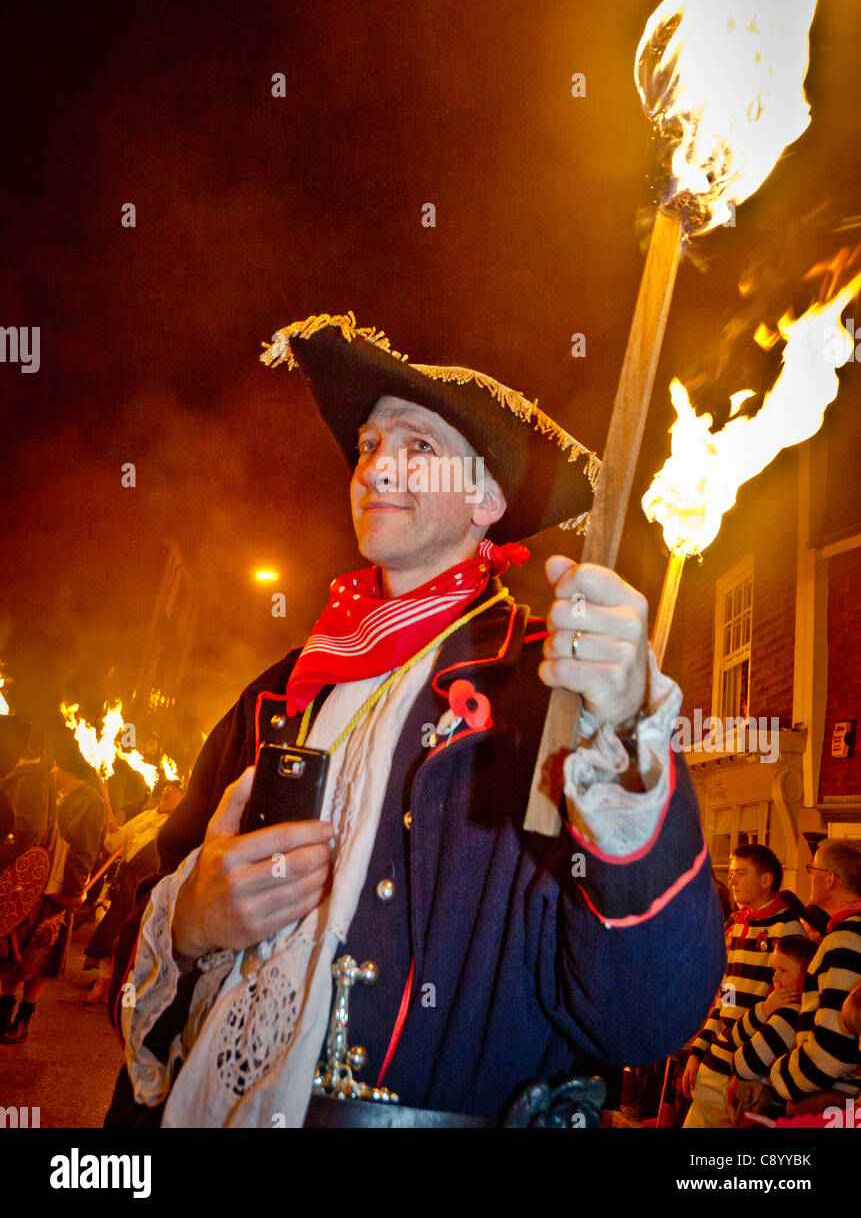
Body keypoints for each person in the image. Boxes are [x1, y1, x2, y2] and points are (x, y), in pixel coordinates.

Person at [105, 311, 725, 1128]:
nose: (374, 469)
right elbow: (139, 930)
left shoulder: (551, 691)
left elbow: (642, 1018)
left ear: (487, 499)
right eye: (367, 446)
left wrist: (623, 745)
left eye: (418, 448)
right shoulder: (279, 694)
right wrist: (188, 923)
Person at [682, 843, 804, 1128]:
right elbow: (727, 996)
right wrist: (699, 1051)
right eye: (732, 873)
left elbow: (785, 1011)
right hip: (715, 1064)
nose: (732, 880)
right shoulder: (739, 926)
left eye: (740, 873)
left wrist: (751, 1068)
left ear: (766, 879)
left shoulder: (787, 930)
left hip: (746, 1073)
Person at [0, 738, 106, 1043]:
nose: (54, 771)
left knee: (41, 957)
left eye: (58, 768)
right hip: (34, 883)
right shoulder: (52, 792)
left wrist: (72, 892)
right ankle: (4, 1010)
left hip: (60, 887)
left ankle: (24, 1017)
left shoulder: (91, 802)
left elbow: (85, 850)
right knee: (15, 955)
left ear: (71, 771)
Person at [768, 838, 861, 1111]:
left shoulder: (845, 938)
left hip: (829, 1099)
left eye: (813, 870)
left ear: (830, 878)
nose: (810, 877)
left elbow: (836, 1045)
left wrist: (781, 1078)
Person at [83, 781, 184, 1005]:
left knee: (138, 943)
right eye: (165, 789)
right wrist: (113, 831)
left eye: (173, 791)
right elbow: (118, 844)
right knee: (109, 937)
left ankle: (130, 993)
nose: (167, 793)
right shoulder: (145, 816)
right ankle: (102, 983)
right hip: (127, 884)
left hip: (152, 888)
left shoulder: (180, 824)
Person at [727, 936, 818, 1121]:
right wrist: (764, 1009)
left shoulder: (790, 1016)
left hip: (769, 1112)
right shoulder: (777, 1006)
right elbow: (734, 1036)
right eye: (774, 969)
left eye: (783, 970)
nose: (775, 977)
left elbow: (742, 1065)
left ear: (807, 973)